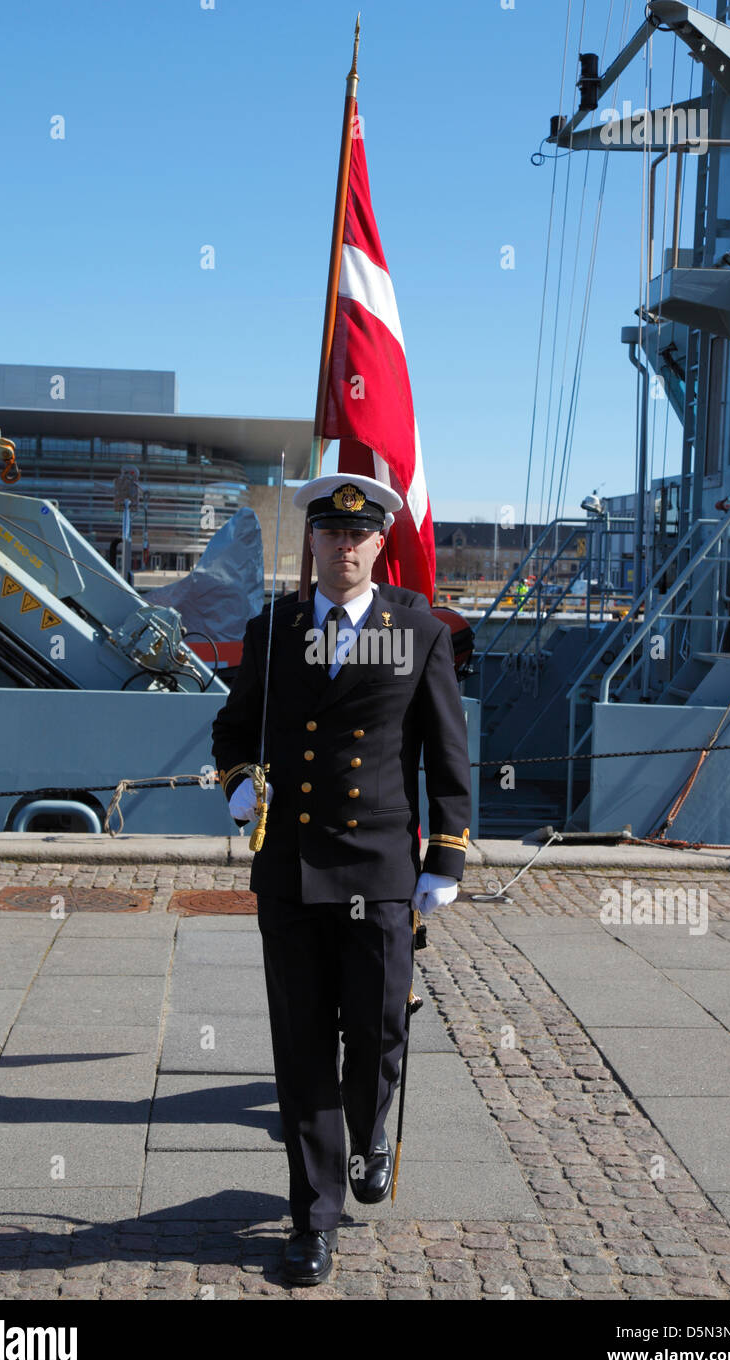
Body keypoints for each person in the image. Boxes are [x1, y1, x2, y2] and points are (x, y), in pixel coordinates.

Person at [210, 473, 472, 1286]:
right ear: (313, 543)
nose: (344, 547)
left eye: (358, 536)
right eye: (330, 533)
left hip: (382, 869)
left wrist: (448, 858)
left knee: (379, 1032)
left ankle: (372, 1131)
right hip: (291, 868)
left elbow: (446, 753)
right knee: (301, 1049)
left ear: (379, 544)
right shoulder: (275, 628)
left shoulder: (418, 631)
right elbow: (233, 724)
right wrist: (241, 780)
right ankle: (314, 1218)